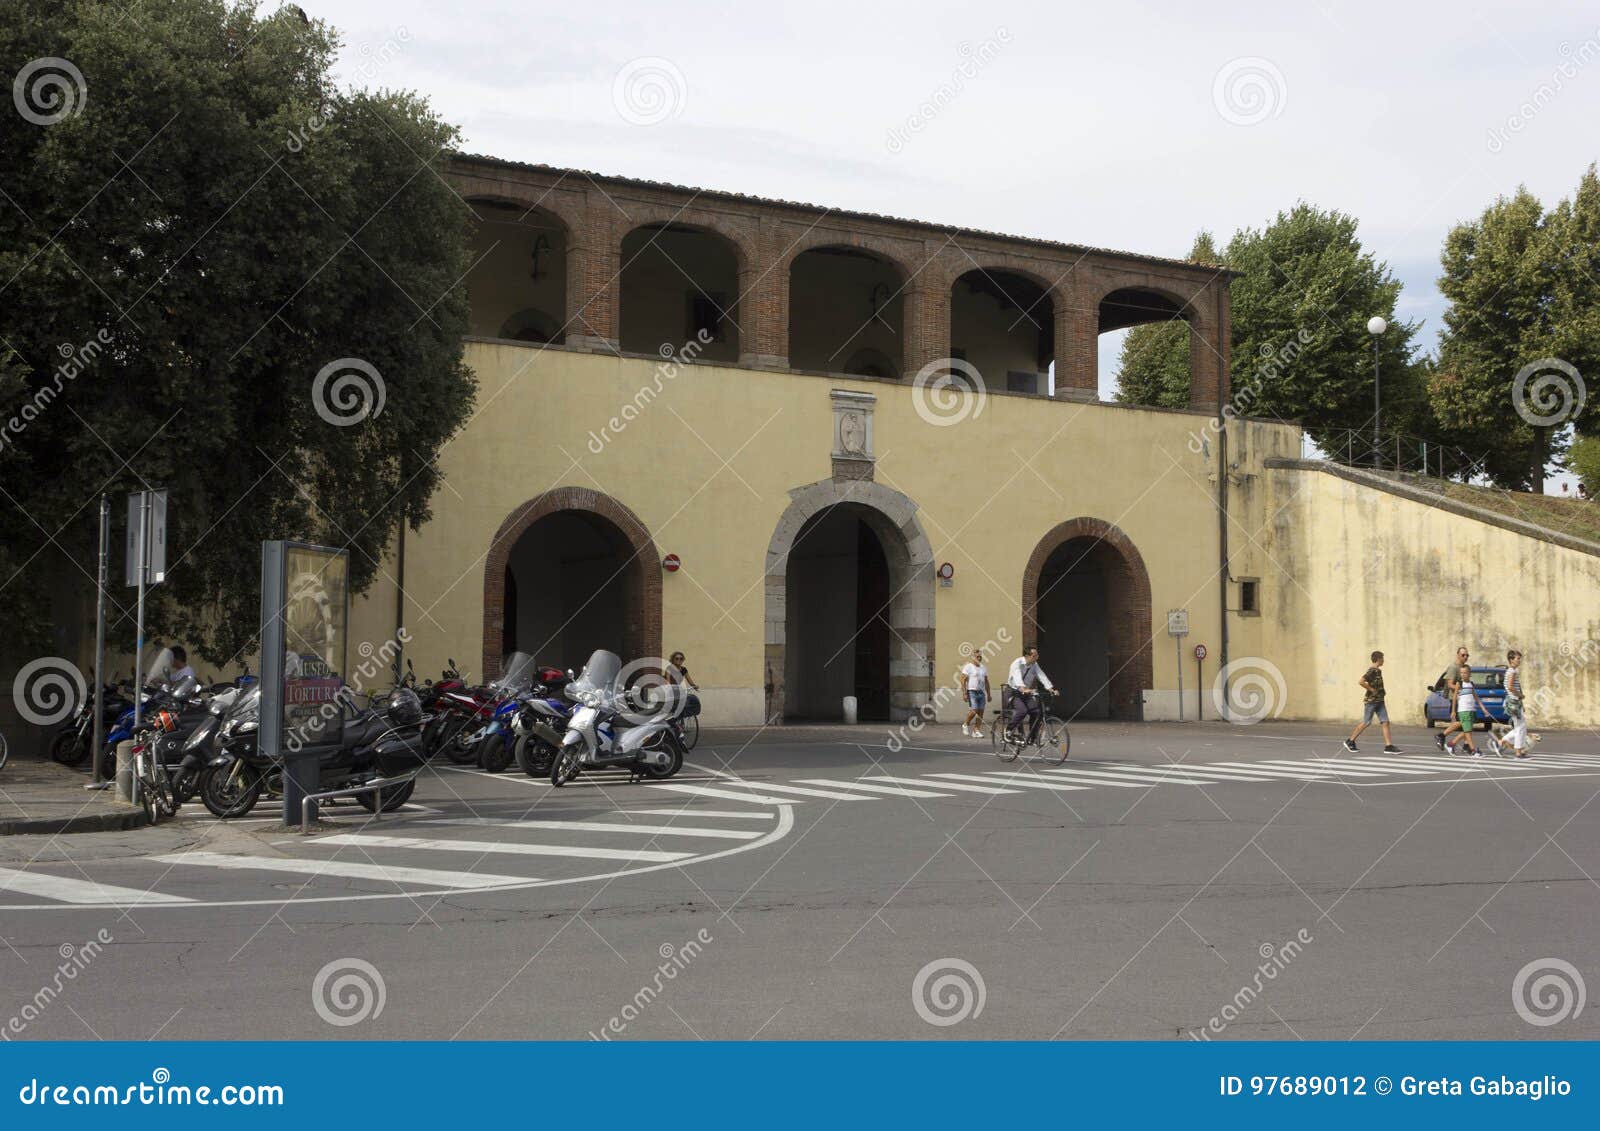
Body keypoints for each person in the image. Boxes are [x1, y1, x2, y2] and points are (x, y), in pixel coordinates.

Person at [1342, 650, 1399, 753]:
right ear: (1378, 659)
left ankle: (1388, 746)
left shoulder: (1378, 671)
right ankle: (1350, 741)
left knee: (1385, 722)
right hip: (1372, 701)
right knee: (1366, 722)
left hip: (1380, 701)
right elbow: (1361, 681)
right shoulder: (1372, 670)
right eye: (1382, 658)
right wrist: (1372, 690)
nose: (1383, 661)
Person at [1005, 646, 1055, 742]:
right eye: (1034, 655)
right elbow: (1017, 677)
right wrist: (1023, 688)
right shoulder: (1017, 663)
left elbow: (1041, 675)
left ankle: (1033, 737)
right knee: (1022, 711)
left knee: (1036, 712)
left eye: (1037, 655)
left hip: (1025, 692)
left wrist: (1050, 688)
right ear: (1027, 656)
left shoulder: (1034, 664)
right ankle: (1008, 730)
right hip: (1013, 691)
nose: (1037, 657)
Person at [1444, 663, 1486, 757]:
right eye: (1461, 673)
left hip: (1471, 710)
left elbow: (1475, 697)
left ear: (1469, 674)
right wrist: (1453, 711)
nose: (1463, 674)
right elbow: (1454, 697)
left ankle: (1451, 744)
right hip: (1463, 710)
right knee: (1467, 732)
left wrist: (1483, 708)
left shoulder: (1471, 684)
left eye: (1465, 673)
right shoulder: (1460, 684)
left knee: (1468, 731)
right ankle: (1473, 750)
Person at [1435, 646, 1470, 750]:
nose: (1465, 657)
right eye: (1463, 655)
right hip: (1457, 699)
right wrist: (1462, 689)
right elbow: (1450, 684)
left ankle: (1466, 744)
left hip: (1464, 699)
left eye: (1467, 655)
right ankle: (1442, 736)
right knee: (1465, 723)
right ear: (1458, 655)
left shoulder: (1466, 667)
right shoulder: (1453, 667)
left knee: (1468, 724)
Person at [1501, 649, 1531, 759]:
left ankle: (1503, 741)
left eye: (1519, 659)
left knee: (1520, 726)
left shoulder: (1511, 671)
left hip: (1514, 702)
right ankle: (1518, 752)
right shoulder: (1512, 672)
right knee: (1520, 727)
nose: (1519, 661)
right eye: (1517, 659)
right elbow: (1510, 686)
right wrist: (1520, 695)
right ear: (1511, 660)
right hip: (1514, 701)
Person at [959, 649, 991, 739]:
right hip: (972, 691)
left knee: (981, 712)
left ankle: (976, 730)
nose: (979, 658)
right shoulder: (968, 667)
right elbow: (962, 680)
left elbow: (986, 681)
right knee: (974, 710)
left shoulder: (983, 668)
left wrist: (989, 694)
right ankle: (966, 724)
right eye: (977, 656)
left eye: (980, 656)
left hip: (981, 692)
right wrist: (964, 693)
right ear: (973, 657)